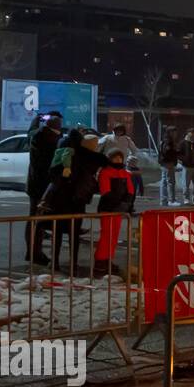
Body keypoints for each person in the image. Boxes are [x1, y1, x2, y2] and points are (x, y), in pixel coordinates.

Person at [37, 130, 108, 274]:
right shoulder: (88, 156)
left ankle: (55, 262)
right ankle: (73, 264)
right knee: (74, 234)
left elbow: (52, 174)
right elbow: (104, 161)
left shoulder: (63, 154)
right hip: (78, 200)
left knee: (57, 232)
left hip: (60, 200)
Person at [24, 111, 62, 265]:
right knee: (37, 221)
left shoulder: (36, 135)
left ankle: (32, 252)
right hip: (43, 186)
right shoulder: (50, 141)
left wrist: (35, 119)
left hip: (34, 184)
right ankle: (35, 253)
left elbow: (30, 131)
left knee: (34, 219)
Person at [92, 148, 136, 277]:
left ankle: (107, 260)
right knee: (106, 235)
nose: (118, 160)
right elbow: (105, 191)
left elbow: (130, 190)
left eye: (120, 158)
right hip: (108, 208)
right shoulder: (105, 172)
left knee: (114, 237)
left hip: (119, 209)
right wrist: (119, 204)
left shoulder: (125, 173)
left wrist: (126, 204)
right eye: (115, 158)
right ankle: (100, 262)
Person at [158, 126, 180, 205]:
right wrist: (175, 151)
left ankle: (164, 200)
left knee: (164, 181)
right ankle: (171, 200)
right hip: (168, 163)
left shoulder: (166, 140)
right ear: (170, 132)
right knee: (170, 181)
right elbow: (167, 152)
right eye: (174, 132)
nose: (175, 134)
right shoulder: (168, 141)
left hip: (165, 162)